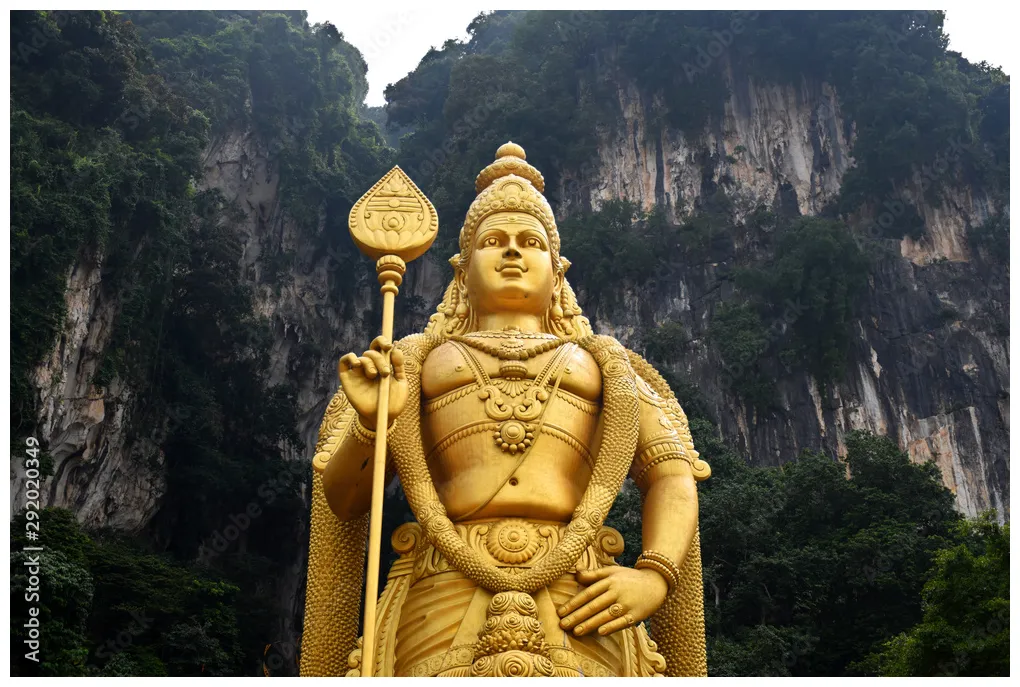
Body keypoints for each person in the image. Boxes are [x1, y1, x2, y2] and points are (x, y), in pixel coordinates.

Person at [301, 143, 711, 677]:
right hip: (442, 584)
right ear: (462, 269)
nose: (512, 252)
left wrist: (654, 574)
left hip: (580, 589)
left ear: (557, 269)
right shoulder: (410, 364)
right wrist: (372, 425)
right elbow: (344, 500)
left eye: (530, 242)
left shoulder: (607, 365)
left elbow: (671, 473)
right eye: (493, 241)